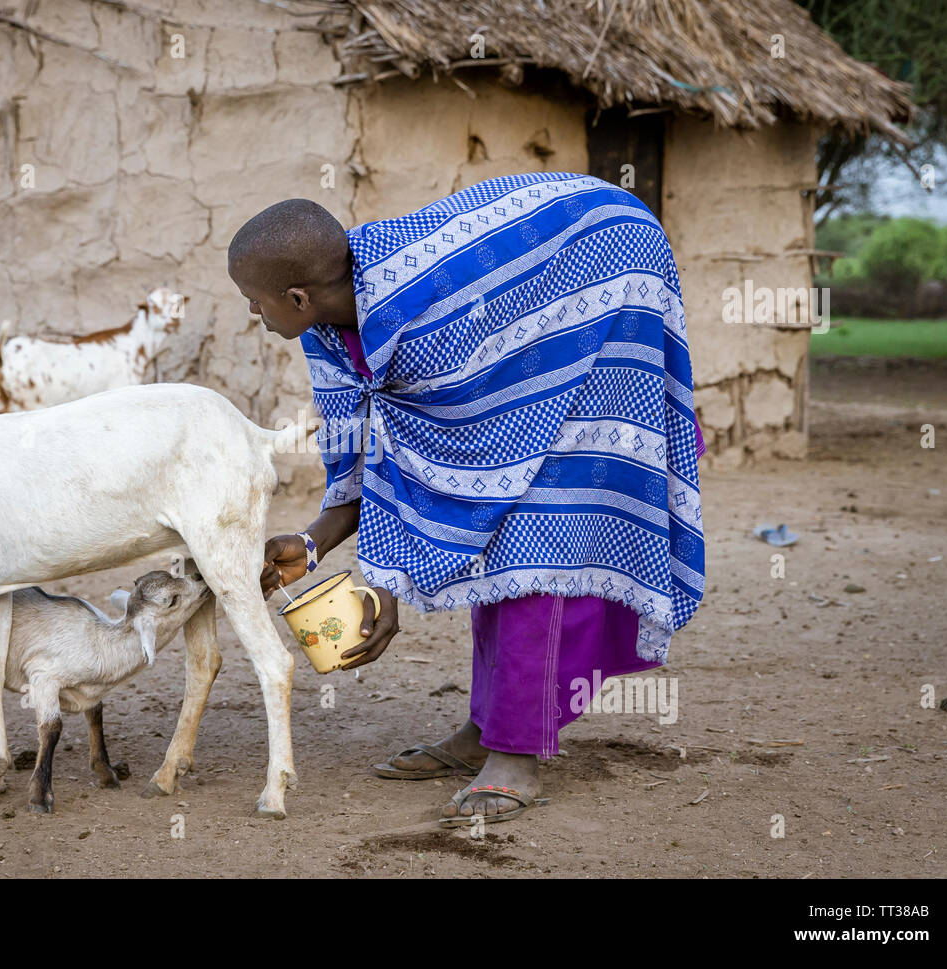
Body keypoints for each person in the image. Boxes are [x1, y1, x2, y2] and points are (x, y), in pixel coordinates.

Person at [227, 172, 706, 826]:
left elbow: (444, 464)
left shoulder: (427, 323)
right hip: (560, 274)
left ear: (297, 295)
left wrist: (385, 584)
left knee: (532, 533)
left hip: (607, 271)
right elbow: (380, 447)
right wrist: (312, 542)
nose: (253, 314)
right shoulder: (332, 330)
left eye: (254, 302)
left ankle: (517, 754)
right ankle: (487, 729)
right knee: (496, 537)